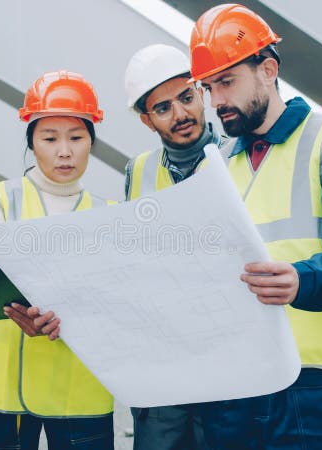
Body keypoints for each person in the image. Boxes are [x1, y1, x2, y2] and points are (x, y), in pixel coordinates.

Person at [188, 4, 322, 449]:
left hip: (315, 385)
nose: (216, 100)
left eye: (226, 81)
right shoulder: (217, 165)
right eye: (208, 87)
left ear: (267, 69)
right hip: (236, 383)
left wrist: (303, 279)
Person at [0, 70, 115, 450]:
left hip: (79, 392)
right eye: (50, 138)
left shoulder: (111, 214)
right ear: (32, 142)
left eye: (77, 137)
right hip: (4, 395)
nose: (64, 151)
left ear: (91, 142)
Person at [122, 43, 227, 450]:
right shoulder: (138, 172)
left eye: (186, 97)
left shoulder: (237, 159)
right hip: (161, 367)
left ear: (201, 93)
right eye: (163, 108)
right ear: (148, 121)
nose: (181, 114)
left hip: (225, 363)